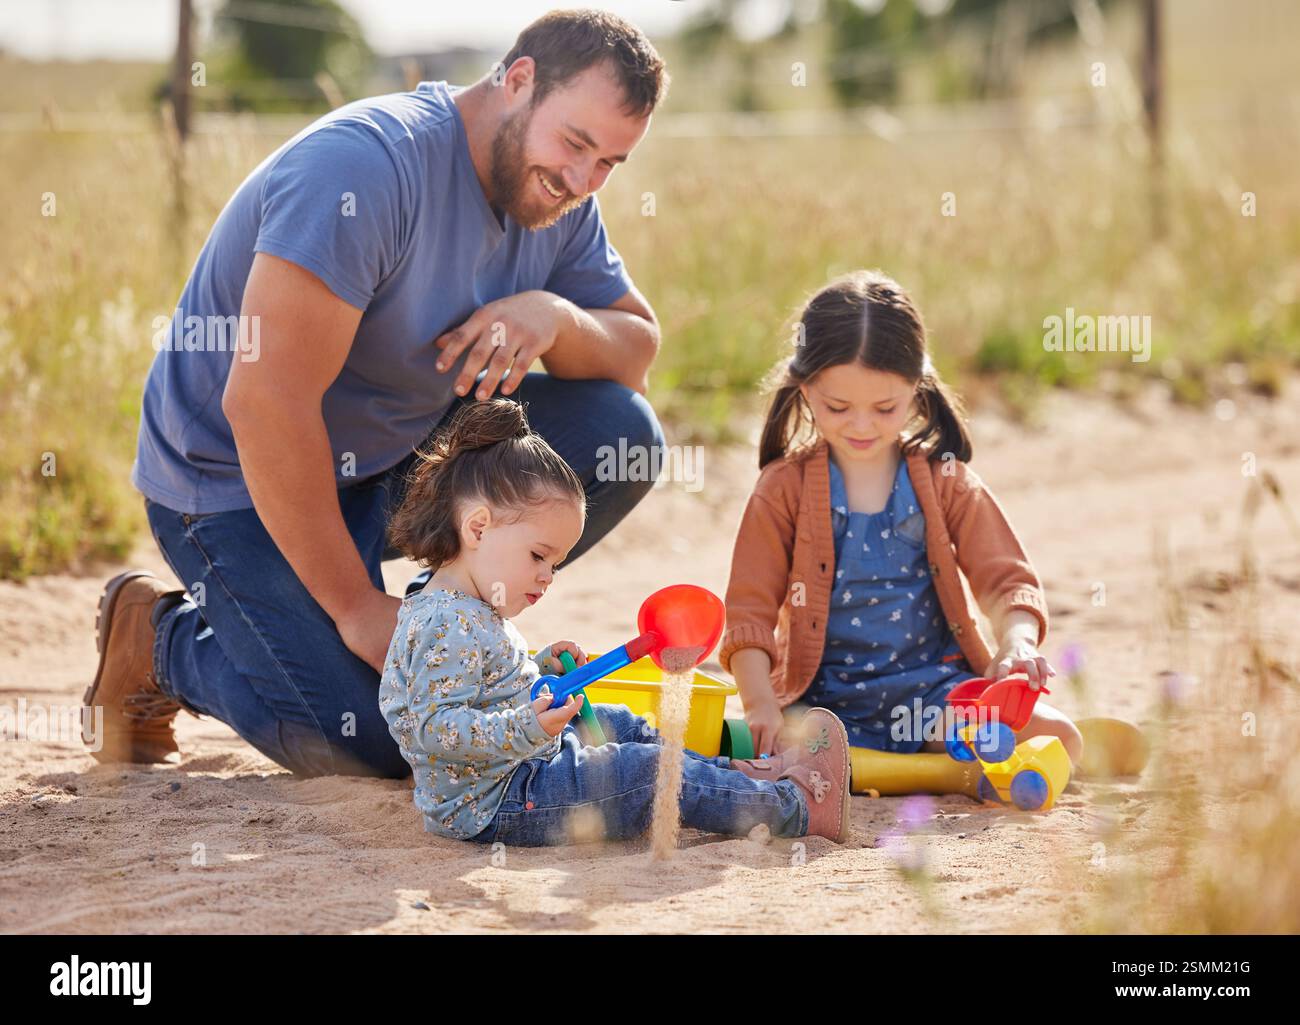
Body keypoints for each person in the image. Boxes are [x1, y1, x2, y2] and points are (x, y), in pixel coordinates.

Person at [86, 10, 670, 776]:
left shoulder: (561, 201)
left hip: (393, 459)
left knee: (622, 433)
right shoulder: (363, 170)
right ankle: (160, 638)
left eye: (610, 164)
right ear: (518, 79)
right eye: (575, 144)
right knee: (380, 738)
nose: (583, 180)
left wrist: (553, 317)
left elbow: (636, 349)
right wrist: (360, 612)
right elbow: (263, 406)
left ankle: (438, 630)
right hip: (235, 479)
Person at [378, 399, 852, 846]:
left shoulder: (465, 604)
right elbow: (436, 730)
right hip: (499, 800)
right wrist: (529, 725)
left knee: (620, 724)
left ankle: (744, 775)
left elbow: (481, 685)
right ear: (478, 528)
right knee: (643, 772)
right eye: (538, 556)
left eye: (556, 564)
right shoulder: (448, 620)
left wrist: (540, 668)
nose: (546, 577)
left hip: (521, 765)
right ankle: (797, 808)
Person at [718, 270, 1084, 770]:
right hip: (821, 706)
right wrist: (760, 704)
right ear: (804, 389)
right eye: (839, 406)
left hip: (935, 695)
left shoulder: (944, 478)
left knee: (1058, 736)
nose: (862, 425)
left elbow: (1006, 579)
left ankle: (938, 760)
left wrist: (1016, 643)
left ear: (917, 388)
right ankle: (933, 769)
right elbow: (749, 614)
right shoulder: (783, 488)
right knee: (778, 753)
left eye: (885, 407)